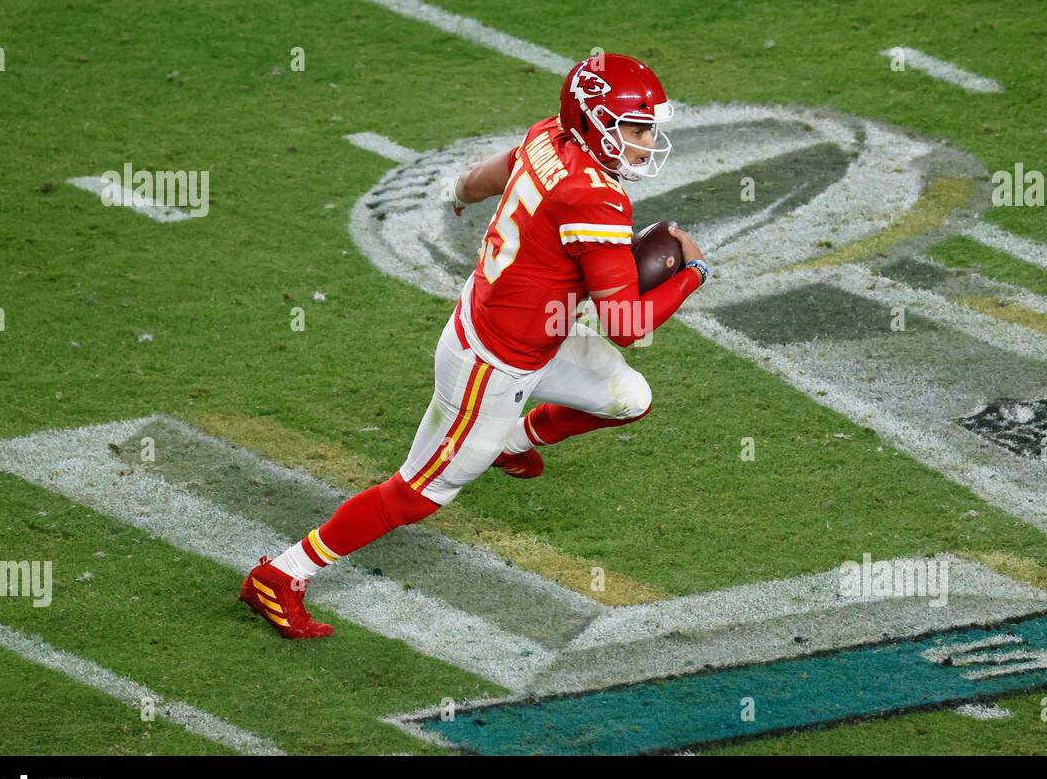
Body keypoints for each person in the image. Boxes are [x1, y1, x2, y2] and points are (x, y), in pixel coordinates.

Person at [239, 53, 709, 638]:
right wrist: (693, 271)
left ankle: (510, 439)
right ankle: (281, 575)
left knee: (627, 398)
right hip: (495, 362)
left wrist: (462, 188)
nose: (645, 143)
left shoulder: (551, 135)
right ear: (594, 123)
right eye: (635, 129)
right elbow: (626, 324)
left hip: (534, 327)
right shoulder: (595, 199)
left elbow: (500, 168)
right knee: (416, 495)